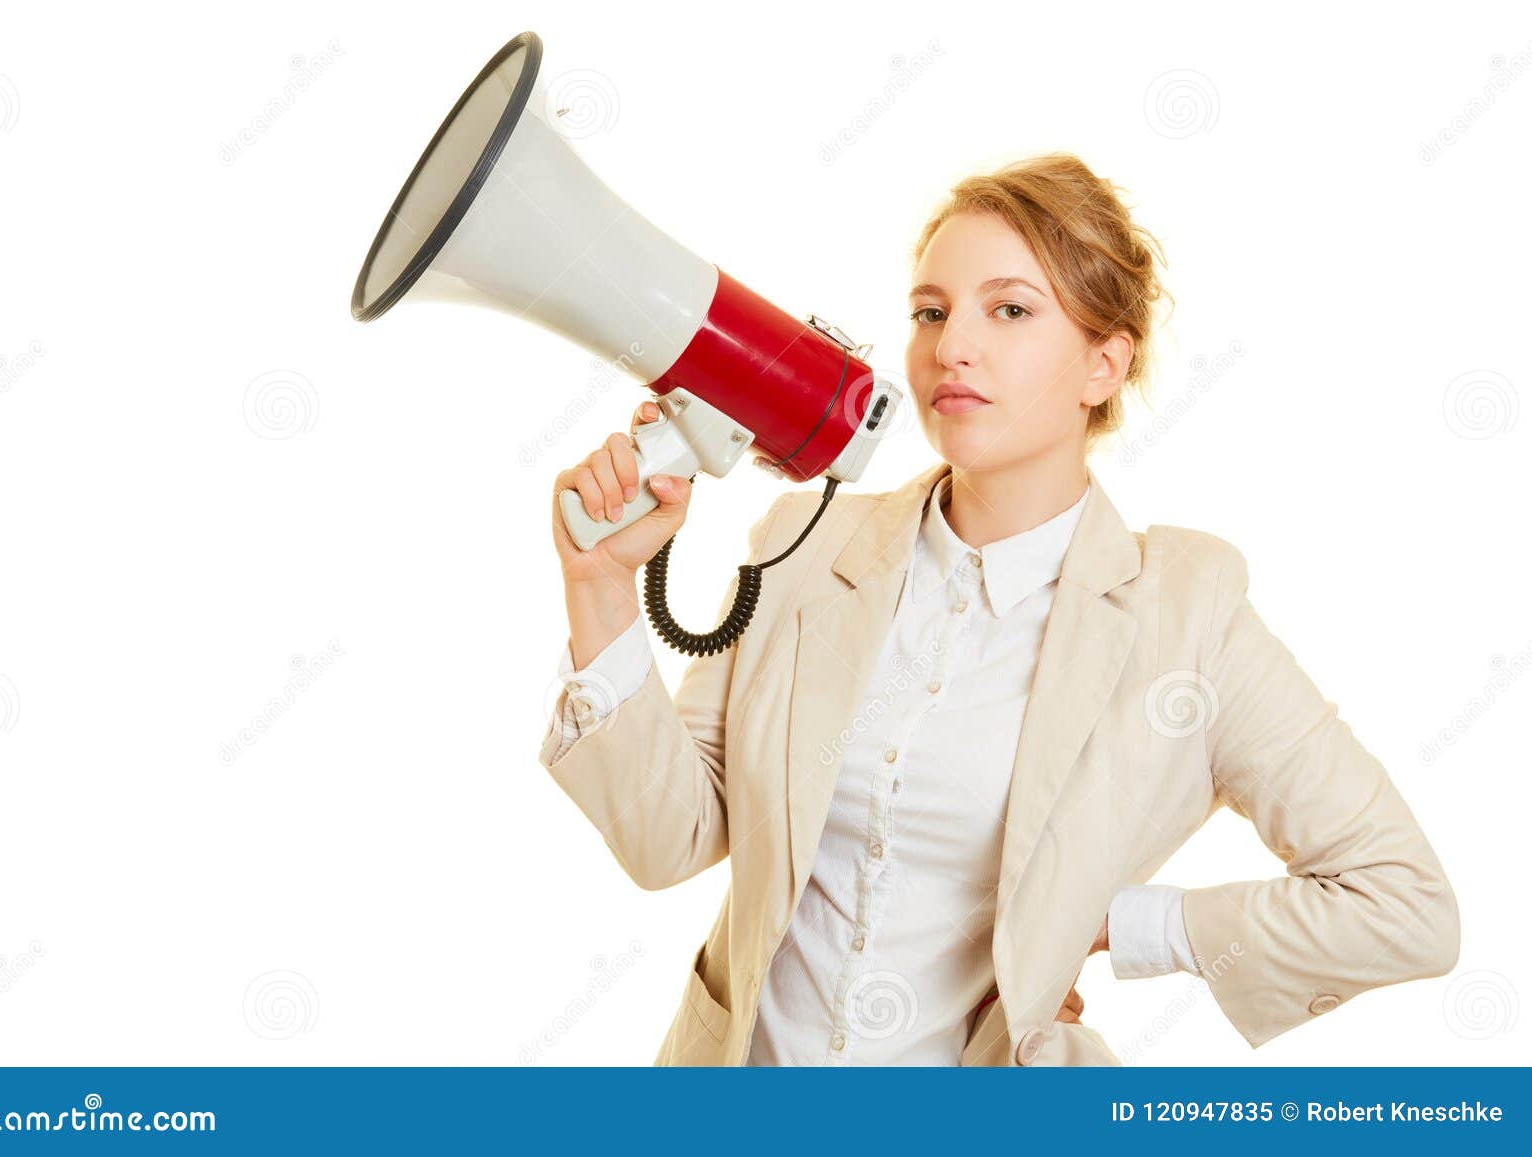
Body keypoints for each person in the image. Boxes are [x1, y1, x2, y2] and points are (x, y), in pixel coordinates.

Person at [539, 153, 1460, 1066]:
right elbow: (670, 837)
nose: (952, 346)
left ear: (1104, 363)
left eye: (1009, 309)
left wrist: (1121, 922)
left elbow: (1405, 905)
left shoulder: (1188, 618)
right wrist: (602, 586)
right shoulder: (805, 547)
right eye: (931, 312)